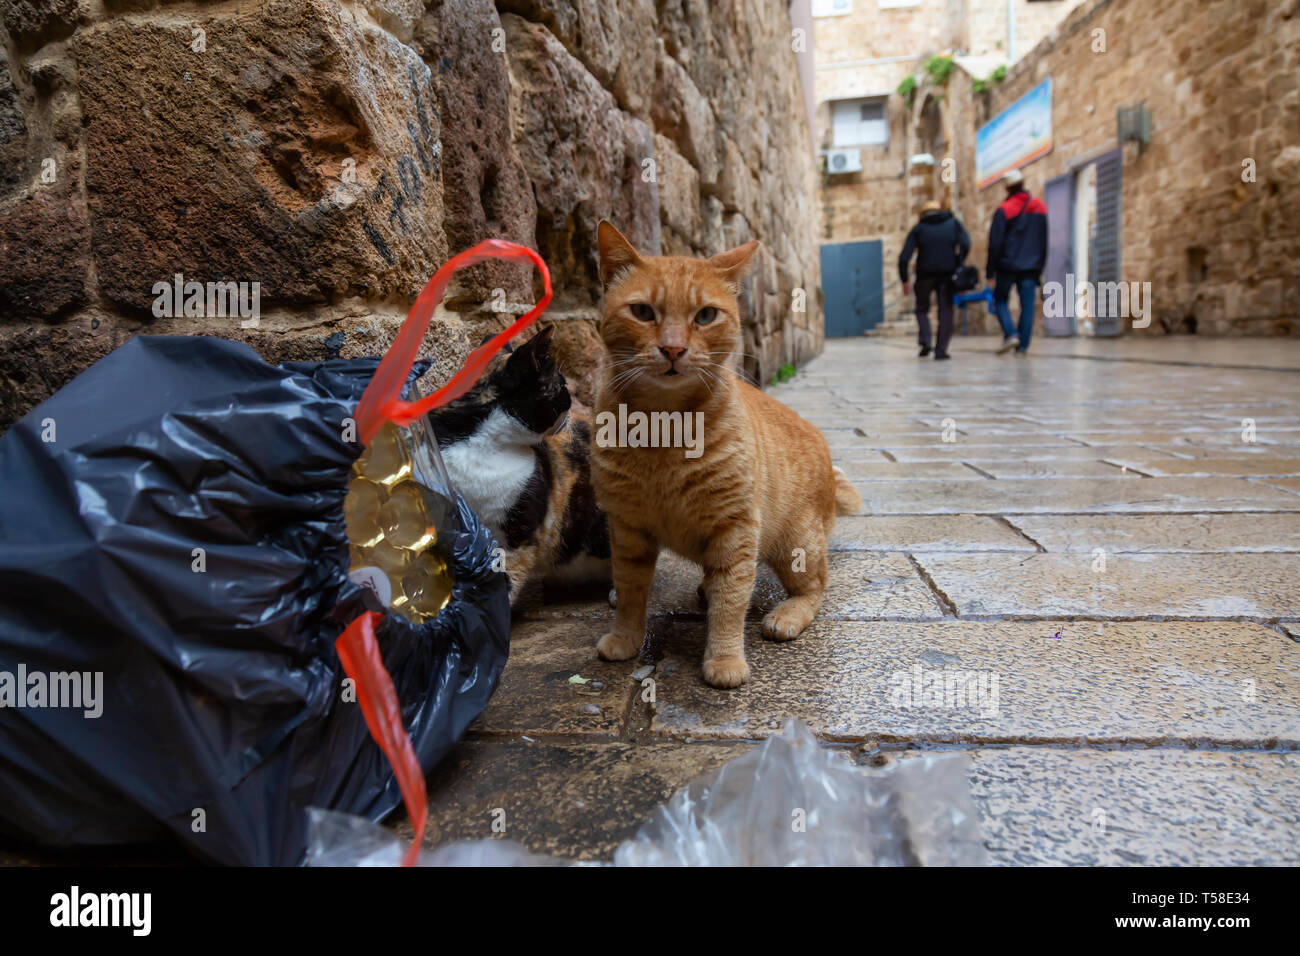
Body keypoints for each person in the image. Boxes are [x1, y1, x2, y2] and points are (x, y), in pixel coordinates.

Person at [986, 168, 1048, 355]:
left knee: (1000, 299)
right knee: (1027, 305)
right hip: (1031, 266)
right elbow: (1043, 240)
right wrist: (1040, 266)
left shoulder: (1004, 210)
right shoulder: (1039, 207)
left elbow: (995, 244)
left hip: (1007, 265)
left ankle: (1011, 333)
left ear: (1007, 189)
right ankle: (1022, 346)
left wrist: (990, 272)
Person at [899, 200, 970, 361]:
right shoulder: (953, 224)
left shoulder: (919, 229)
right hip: (947, 274)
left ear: (923, 214)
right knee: (945, 310)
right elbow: (966, 243)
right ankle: (941, 349)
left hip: (924, 274)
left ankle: (925, 341)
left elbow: (904, 257)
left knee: (921, 309)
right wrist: (958, 261)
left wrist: (904, 279)